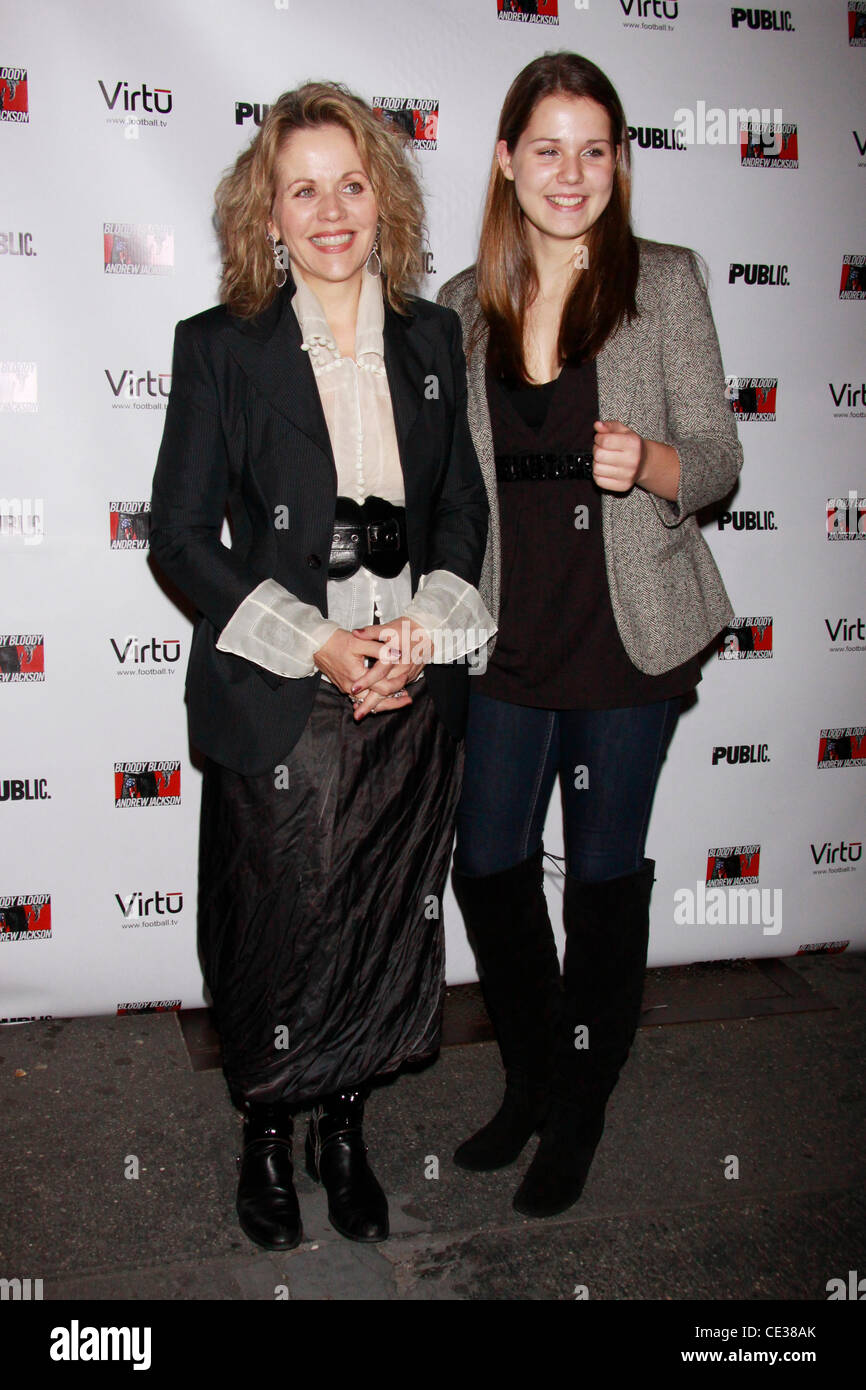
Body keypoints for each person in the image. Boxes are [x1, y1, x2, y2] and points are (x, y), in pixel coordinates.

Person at [150, 82, 492, 1251]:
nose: (331, 209)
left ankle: (343, 1128)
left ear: (382, 197)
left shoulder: (431, 337)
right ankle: (264, 1131)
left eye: (352, 182)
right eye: (304, 188)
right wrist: (322, 643)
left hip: (406, 687)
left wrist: (418, 630)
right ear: (269, 212)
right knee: (274, 926)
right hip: (283, 698)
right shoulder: (221, 348)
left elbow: (459, 509)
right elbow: (181, 537)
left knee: (380, 920)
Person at [437, 52, 743, 1218]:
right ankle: (532, 1074)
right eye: (547, 148)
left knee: (602, 878)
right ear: (507, 159)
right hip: (509, 637)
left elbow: (715, 456)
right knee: (488, 864)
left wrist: (651, 461)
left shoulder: (665, 281)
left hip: (630, 639)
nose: (571, 173)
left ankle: (578, 1106)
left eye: (595, 148)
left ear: (618, 161)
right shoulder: (465, 305)